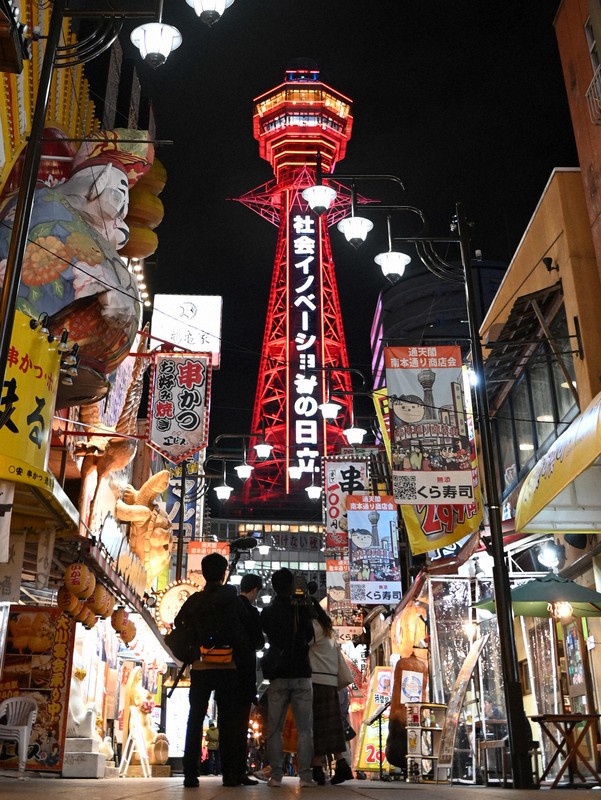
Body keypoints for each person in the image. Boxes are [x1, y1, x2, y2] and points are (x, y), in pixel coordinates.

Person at [179, 552, 248, 789]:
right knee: (228, 720)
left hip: (201, 664)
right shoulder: (233, 599)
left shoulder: (196, 599)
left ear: (205, 573)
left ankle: (190, 773)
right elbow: (245, 628)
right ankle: (229, 775)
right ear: (224, 573)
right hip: (228, 665)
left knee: (195, 718)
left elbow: (179, 622)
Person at [261, 568, 315, 788]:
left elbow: (269, 635)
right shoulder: (301, 609)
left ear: (273, 586)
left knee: (274, 729)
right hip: (301, 673)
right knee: (305, 729)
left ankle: (275, 776)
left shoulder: (267, 613)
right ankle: (305, 776)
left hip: (278, 674)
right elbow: (310, 635)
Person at [308, 602, 353, 785]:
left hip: (317, 681)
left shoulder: (314, 628)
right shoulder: (328, 631)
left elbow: (304, 645)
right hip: (330, 682)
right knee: (330, 728)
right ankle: (338, 765)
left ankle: (319, 768)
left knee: (319, 727)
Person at [233, 573, 265, 785]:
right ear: (254, 590)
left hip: (224, 669)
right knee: (240, 724)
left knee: (227, 722)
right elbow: (259, 643)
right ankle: (238, 771)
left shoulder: (229, 606)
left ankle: (228, 770)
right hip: (244, 673)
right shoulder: (251, 612)